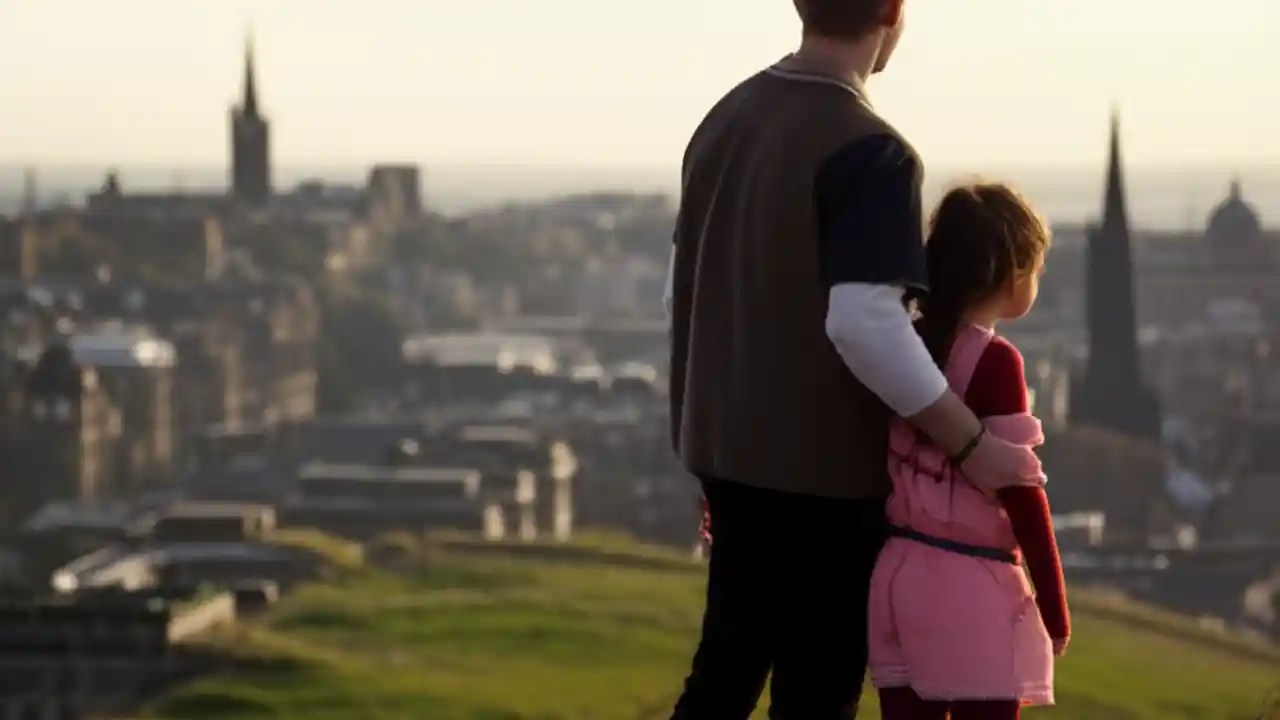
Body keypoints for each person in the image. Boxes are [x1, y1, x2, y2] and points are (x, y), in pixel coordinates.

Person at [664, 1, 1045, 717]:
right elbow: (865, 325)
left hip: (729, 458)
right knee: (814, 694)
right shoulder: (873, 149)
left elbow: (682, 292)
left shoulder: (724, 119)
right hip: (824, 480)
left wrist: (708, 441)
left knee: (722, 677)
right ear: (893, 14)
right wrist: (969, 443)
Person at [868, 184, 1069, 720]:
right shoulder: (996, 363)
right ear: (1010, 273)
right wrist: (1054, 610)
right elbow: (1022, 495)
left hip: (897, 576)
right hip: (971, 586)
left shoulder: (903, 343)